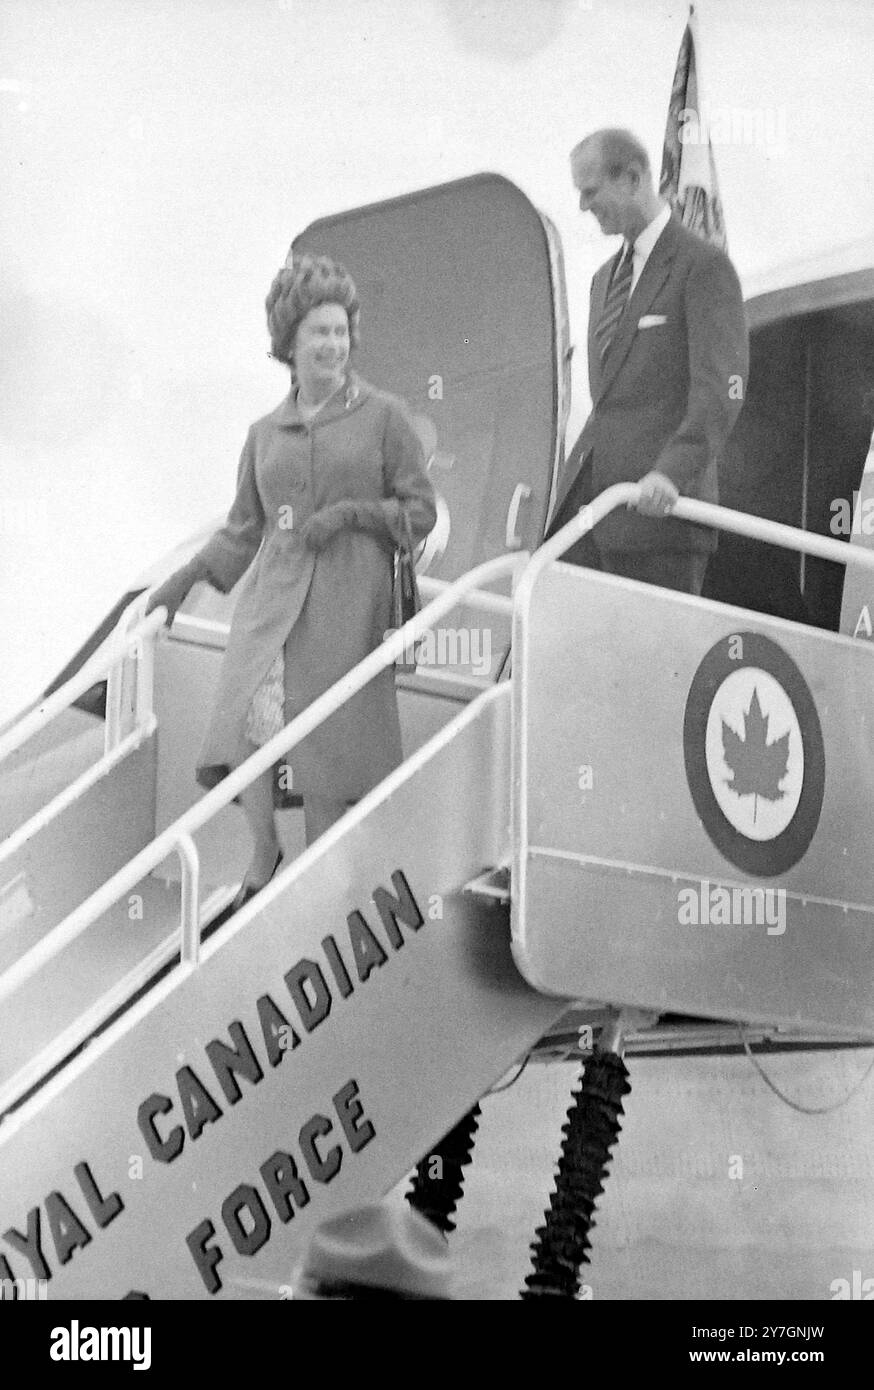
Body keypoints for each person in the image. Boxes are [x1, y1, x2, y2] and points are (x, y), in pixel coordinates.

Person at [146, 254, 436, 905]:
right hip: (271, 603)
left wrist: (351, 515)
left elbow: (420, 511)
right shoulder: (263, 434)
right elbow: (242, 529)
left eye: (341, 330)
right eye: (319, 332)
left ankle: (319, 887)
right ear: (290, 342)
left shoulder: (384, 416)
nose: (334, 344)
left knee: (329, 748)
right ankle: (265, 850)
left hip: (346, 604)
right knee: (243, 727)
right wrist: (180, 584)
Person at [544, 127, 748, 593]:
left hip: (665, 522)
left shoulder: (703, 267)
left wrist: (670, 474)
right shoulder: (601, 281)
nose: (583, 206)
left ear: (634, 178)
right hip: (600, 520)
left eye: (590, 191)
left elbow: (722, 389)